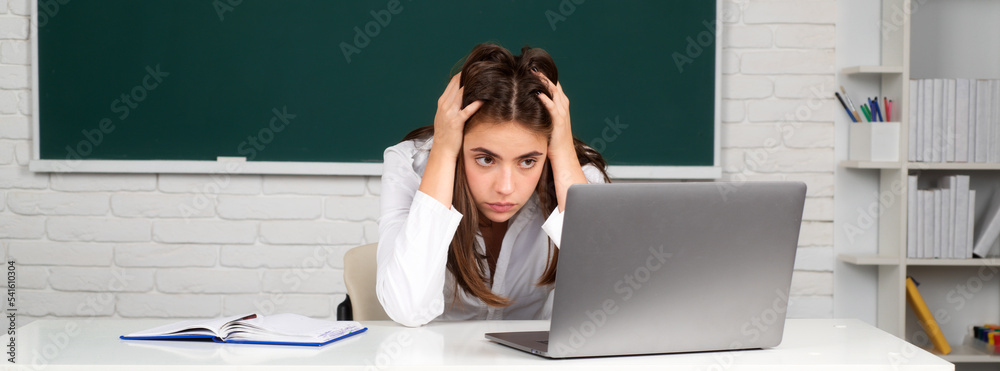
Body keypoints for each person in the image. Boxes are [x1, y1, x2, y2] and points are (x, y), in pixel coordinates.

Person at [376, 43, 611, 327]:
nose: (506, 187)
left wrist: (561, 151)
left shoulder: (575, 176)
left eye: (527, 162)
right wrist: (444, 150)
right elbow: (407, 309)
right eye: (486, 159)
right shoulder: (410, 166)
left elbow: (611, 300)